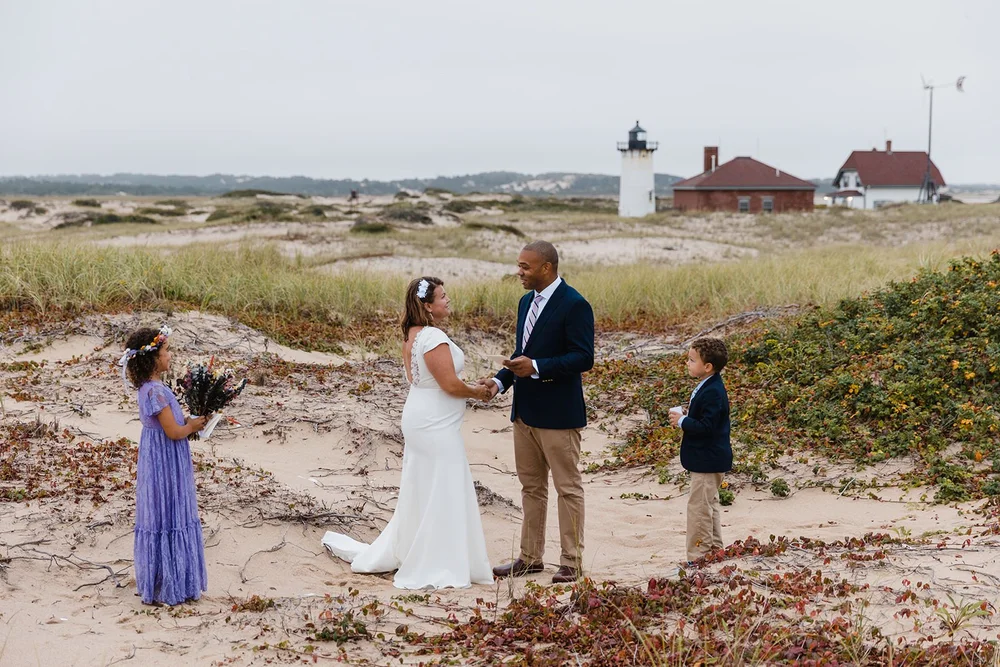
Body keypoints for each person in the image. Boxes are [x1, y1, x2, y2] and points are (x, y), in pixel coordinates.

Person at [322, 277, 494, 589]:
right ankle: (437, 559)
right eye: (443, 297)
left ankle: (425, 547)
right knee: (444, 483)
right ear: (427, 306)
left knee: (427, 485)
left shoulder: (413, 335)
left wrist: (468, 384)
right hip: (433, 423)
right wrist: (477, 392)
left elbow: (437, 379)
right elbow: (449, 385)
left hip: (423, 415)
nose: (448, 300)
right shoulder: (432, 337)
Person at [481, 241, 594, 584]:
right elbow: (522, 353)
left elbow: (583, 357)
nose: (519, 272)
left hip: (559, 414)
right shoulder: (525, 302)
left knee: (568, 488)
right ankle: (530, 558)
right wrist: (499, 383)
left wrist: (539, 366)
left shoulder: (575, 304)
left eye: (525, 267)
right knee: (531, 487)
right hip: (524, 413)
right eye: (519, 265)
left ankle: (571, 562)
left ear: (546, 268)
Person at [120, 326, 209, 606]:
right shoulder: (156, 392)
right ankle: (172, 585)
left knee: (160, 514)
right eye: (166, 351)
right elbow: (172, 431)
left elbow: (169, 427)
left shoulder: (148, 388)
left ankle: (159, 581)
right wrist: (192, 425)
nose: (170, 355)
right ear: (153, 358)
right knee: (170, 512)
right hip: (165, 459)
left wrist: (189, 427)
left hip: (157, 455)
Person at [668, 337, 733, 564]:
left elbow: (707, 427)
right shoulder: (707, 385)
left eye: (692, 360)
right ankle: (714, 550)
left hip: (708, 460)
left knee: (698, 509)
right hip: (707, 459)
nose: (687, 363)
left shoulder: (714, 390)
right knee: (709, 505)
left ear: (708, 367)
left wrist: (682, 421)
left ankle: (699, 556)